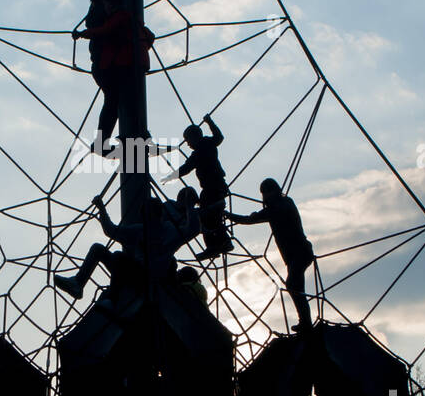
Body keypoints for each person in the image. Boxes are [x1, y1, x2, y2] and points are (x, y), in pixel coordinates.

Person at [54, 194, 200, 300]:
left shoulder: (169, 231)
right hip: (136, 273)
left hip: (152, 279)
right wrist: (102, 209)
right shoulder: (140, 230)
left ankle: (113, 296)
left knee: (118, 257)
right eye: (147, 215)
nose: (149, 219)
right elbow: (111, 230)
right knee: (99, 249)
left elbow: (192, 229)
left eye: (151, 214)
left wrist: (189, 206)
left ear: (158, 215)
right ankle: (78, 284)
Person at [72, 0, 154, 153]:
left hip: (119, 64)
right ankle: (137, 134)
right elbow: (149, 36)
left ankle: (126, 136)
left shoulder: (117, 17)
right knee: (125, 99)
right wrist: (140, 48)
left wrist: (83, 34)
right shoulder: (129, 19)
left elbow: (104, 30)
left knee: (116, 100)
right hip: (129, 63)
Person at [227, 178, 315, 330]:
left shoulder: (281, 206)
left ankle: (306, 322)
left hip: (299, 252)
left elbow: (251, 219)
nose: (266, 196)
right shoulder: (283, 204)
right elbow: (252, 219)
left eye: (267, 192)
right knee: (295, 285)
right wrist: (233, 216)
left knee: (293, 284)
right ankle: (305, 322)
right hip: (297, 254)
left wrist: (231, 215)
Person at [168, 115, 232, 261]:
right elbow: (219, 136)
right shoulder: (209, 144)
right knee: (212, 216)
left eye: (188, 140)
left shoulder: (199, 151)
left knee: (205, 215)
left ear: (194, 137)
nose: (188, 144)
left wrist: (171, 176)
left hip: (211, 188)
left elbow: (187, 167)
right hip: (217, 186)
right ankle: (220, 243)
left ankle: (215, 245)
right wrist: (210, 122)